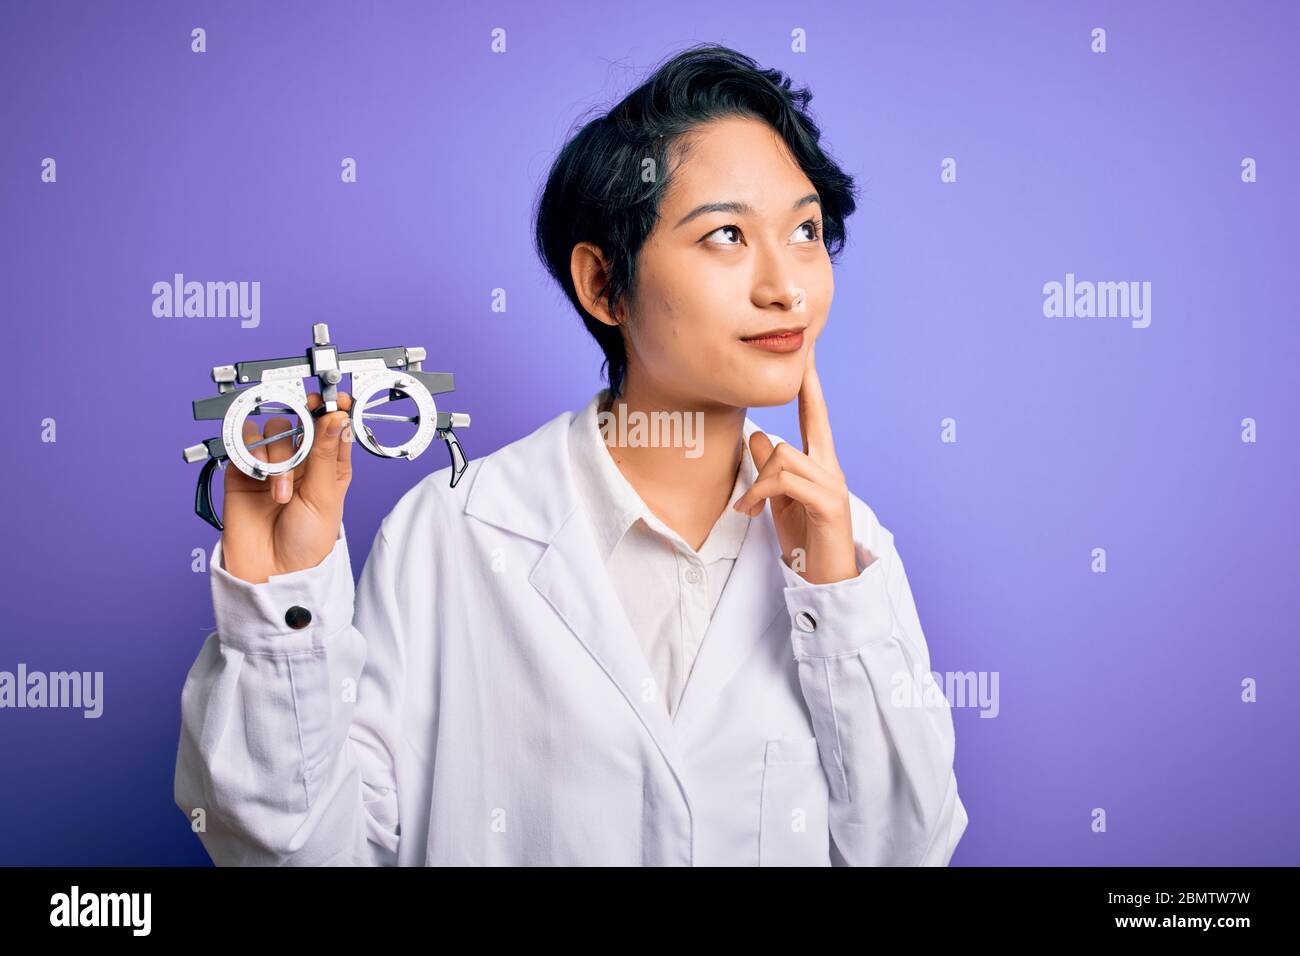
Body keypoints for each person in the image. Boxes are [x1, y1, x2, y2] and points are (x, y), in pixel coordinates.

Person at [174, 43, 968, 866]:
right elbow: (303, 853)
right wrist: (283, 619)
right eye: (727, 234)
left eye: (805, 231)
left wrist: (836, 605)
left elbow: (908, 850)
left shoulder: (846, 549)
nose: (786, 286)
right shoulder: (453, 534)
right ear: (603, 286)